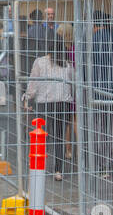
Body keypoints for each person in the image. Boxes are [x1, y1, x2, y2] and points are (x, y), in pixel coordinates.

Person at [22, 26, 75, 180]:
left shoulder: (39, 62)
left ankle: (39, 167)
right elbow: (72, 84)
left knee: (41, 136)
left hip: (44, 104)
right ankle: (58, 170)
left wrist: (27, 98)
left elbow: (33, 83)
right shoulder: (67, 64)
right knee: (59, 138)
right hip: (63, 104)